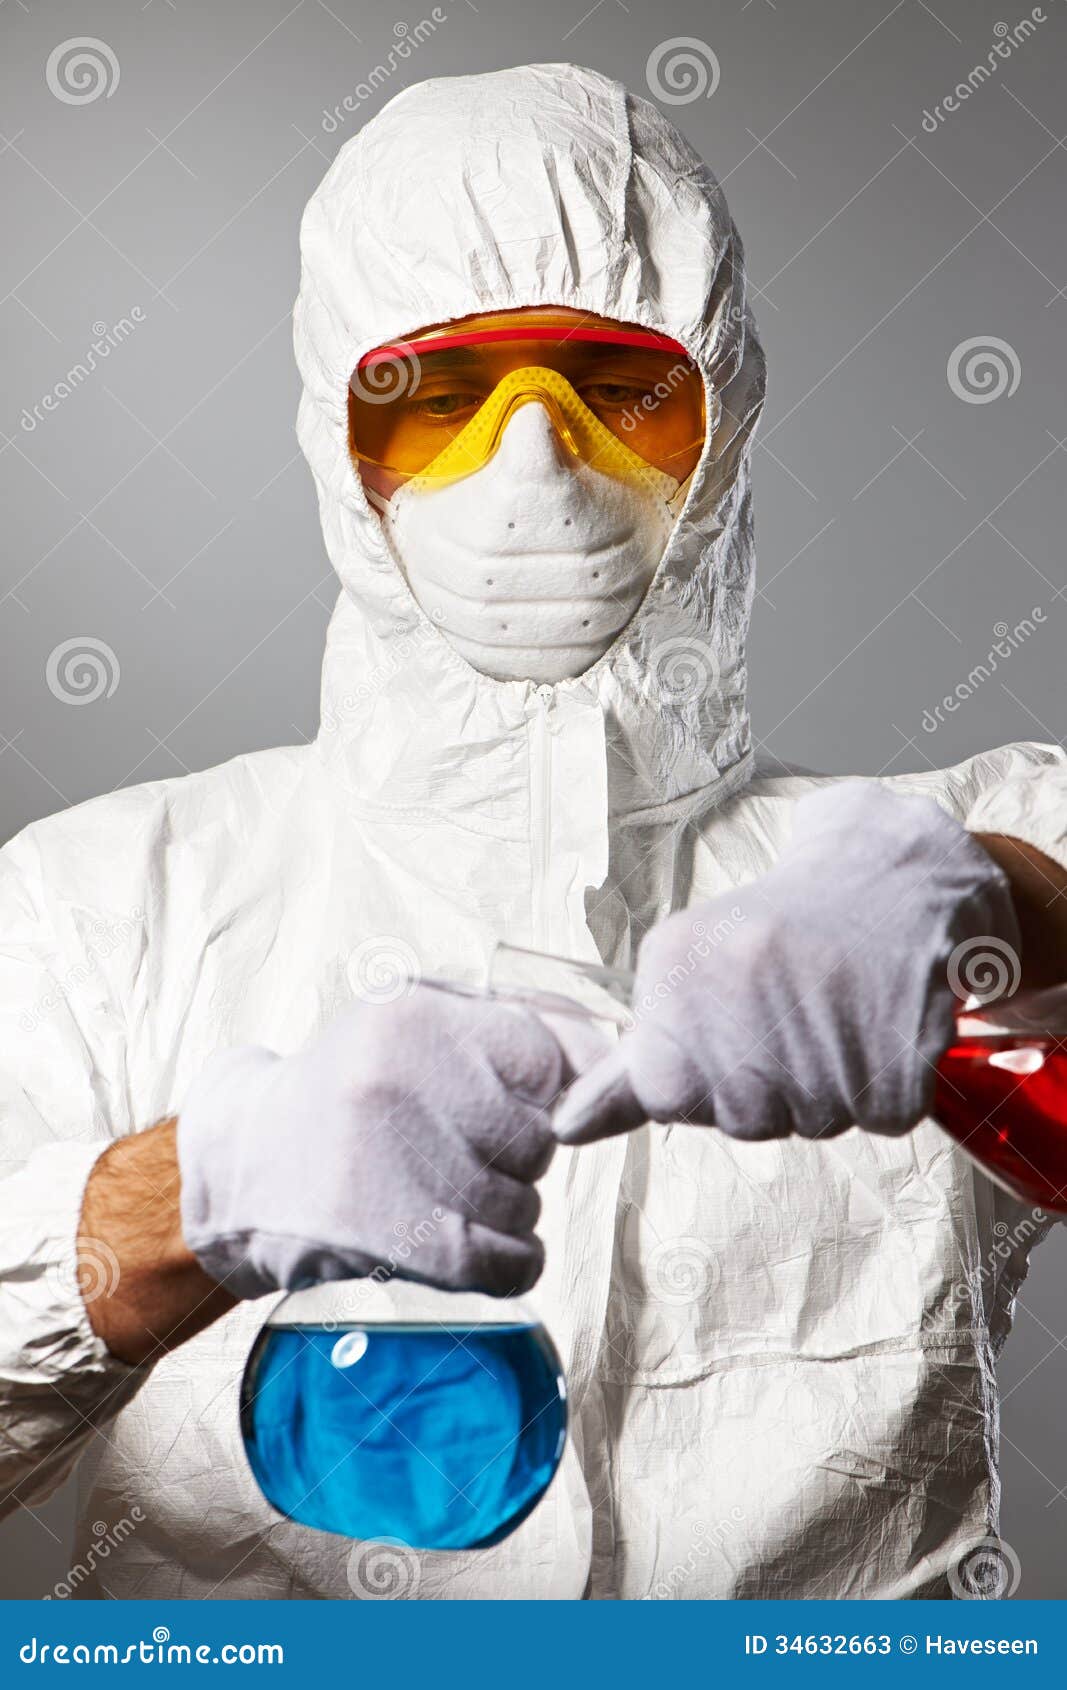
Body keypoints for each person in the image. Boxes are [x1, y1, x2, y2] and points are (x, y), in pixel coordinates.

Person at [1, 62, 1065, 1602]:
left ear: (722, 412)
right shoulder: (100, 909)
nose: (530, 464)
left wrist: (1005, 919)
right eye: (434, 395)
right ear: (332, 430)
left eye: (612, 387)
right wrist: (191, 1196)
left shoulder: (904, 881)